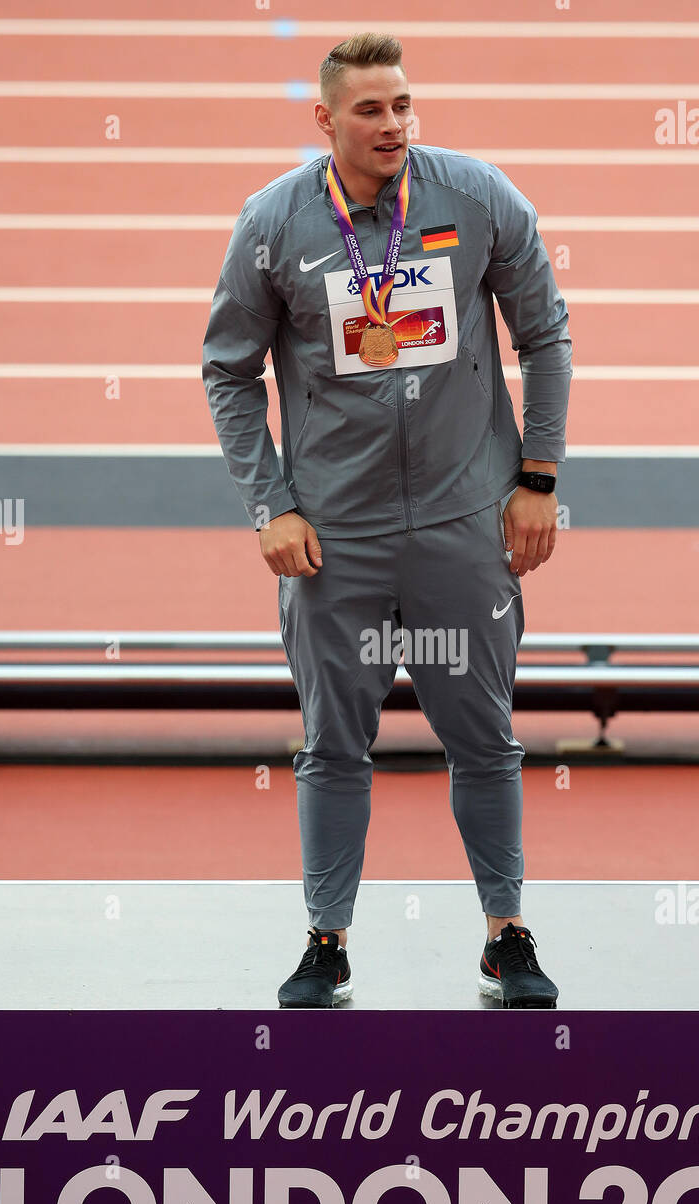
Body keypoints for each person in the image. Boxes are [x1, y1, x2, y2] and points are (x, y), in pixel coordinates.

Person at [202, 32, 571, 1009]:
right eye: (370, 109)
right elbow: (226, 370)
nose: (394, 125)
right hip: (336, 540)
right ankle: (325, 941)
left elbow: (546, 333)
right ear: (324, 120)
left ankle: (506, 933)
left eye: (403, 104)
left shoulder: (476, 199)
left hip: (461, 526)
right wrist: (268, 502)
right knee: (331, 745)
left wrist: (537, 477)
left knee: (485, 738)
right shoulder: (274, 223)